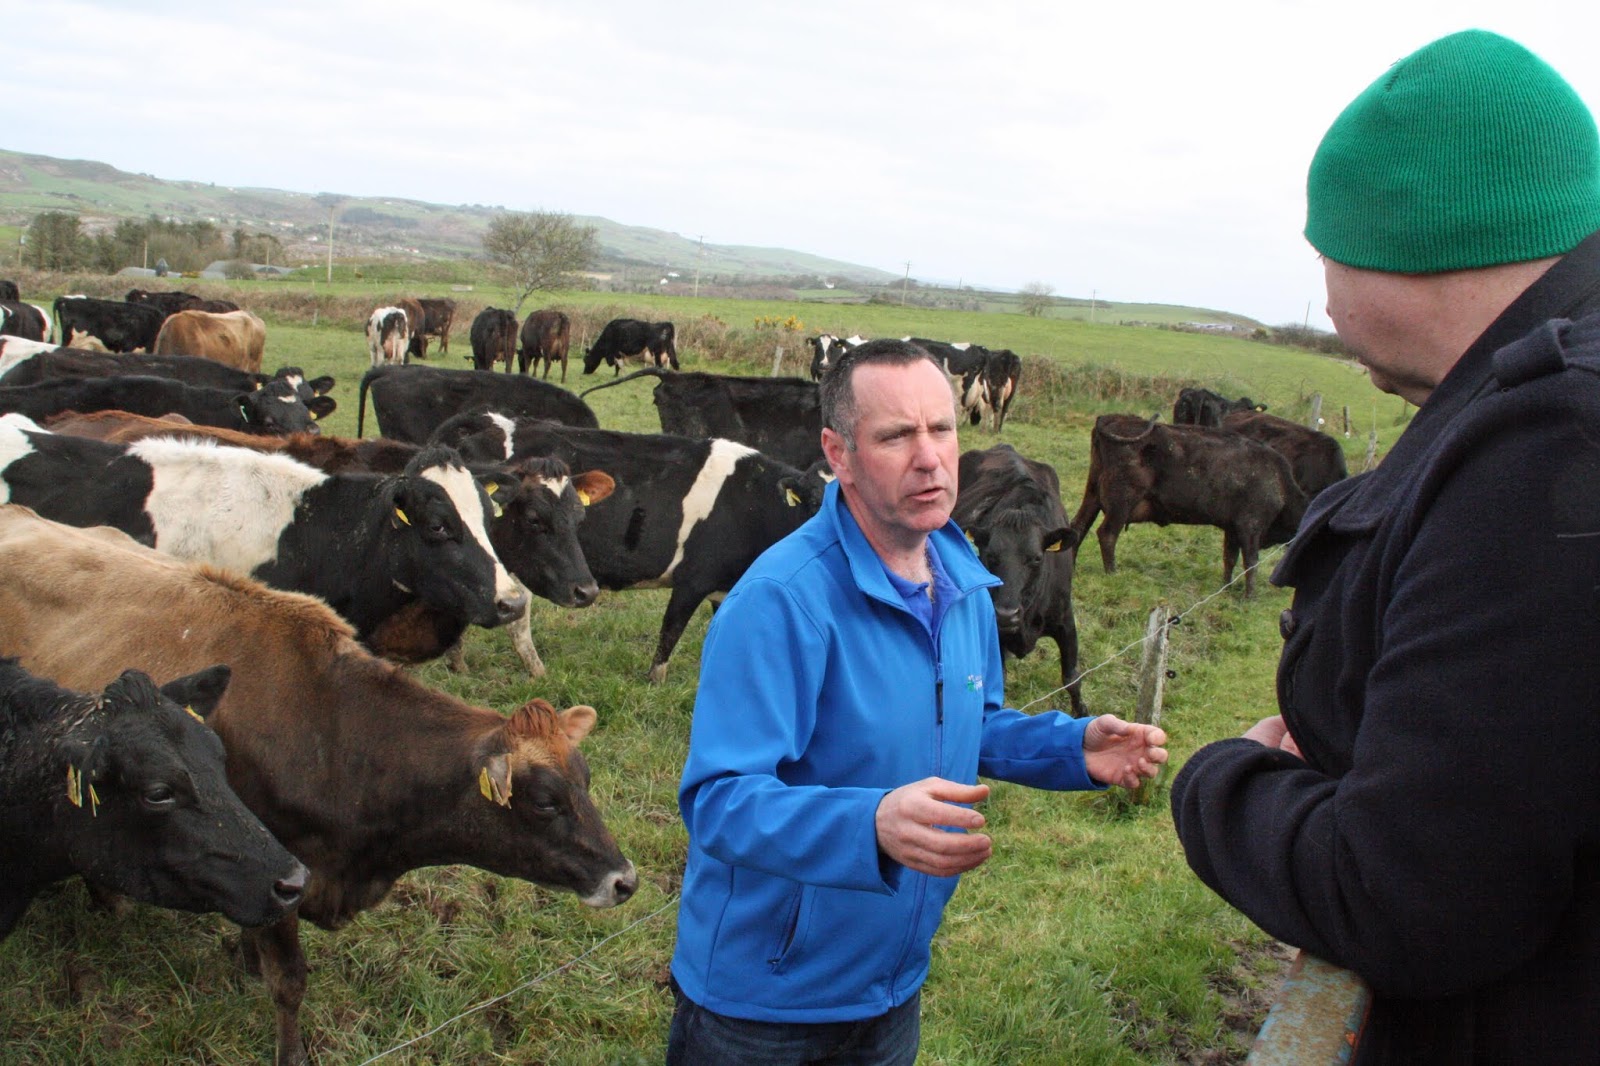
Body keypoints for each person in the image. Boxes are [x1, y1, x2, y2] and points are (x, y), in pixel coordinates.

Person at [1170, 29, 1600, 1065]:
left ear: (1405, 243)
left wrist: (1223, 781)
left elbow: (1412, 899)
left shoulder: (1549, 449)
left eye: (1326, 251)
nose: (1323, 300)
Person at [667, 339, 1168, 1065]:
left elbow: (964, 717)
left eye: (942, 428)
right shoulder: (780, 603)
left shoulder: (961, 577)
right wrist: (870, 822)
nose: (930, 457)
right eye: (896, 436)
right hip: (765, 1008)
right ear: (837, 455)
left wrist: (1069, 748)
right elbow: (719, 800)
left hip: (891, 987)